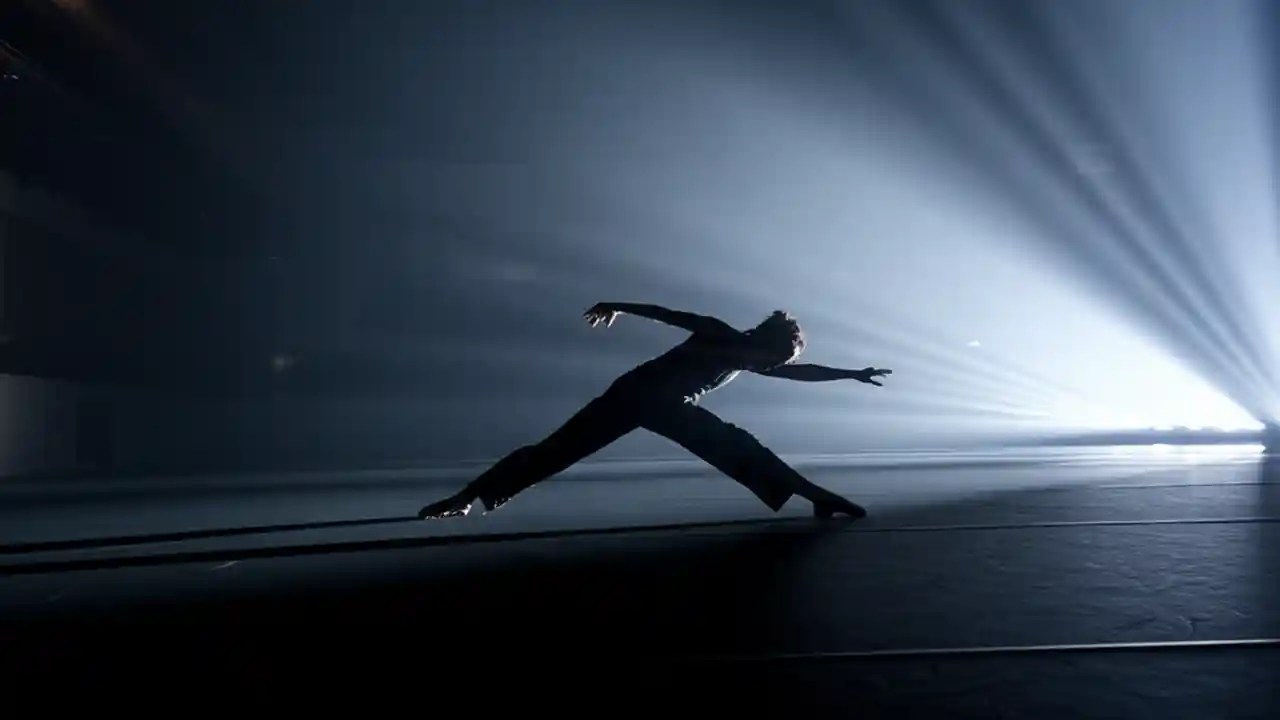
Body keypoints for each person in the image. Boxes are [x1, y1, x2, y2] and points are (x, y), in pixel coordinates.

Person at [418, 302, 891, 520]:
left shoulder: (750, 359)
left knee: (737, 446)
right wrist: (616, 306)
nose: (767, 369)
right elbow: (668, 314)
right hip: (638, 396)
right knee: (554, 452)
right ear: (760, 343)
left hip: (661, 404)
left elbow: (798, 373)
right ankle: (468, 497)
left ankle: (814, 497)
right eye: (770, 360)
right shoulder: (718, 334)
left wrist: (850, 373)